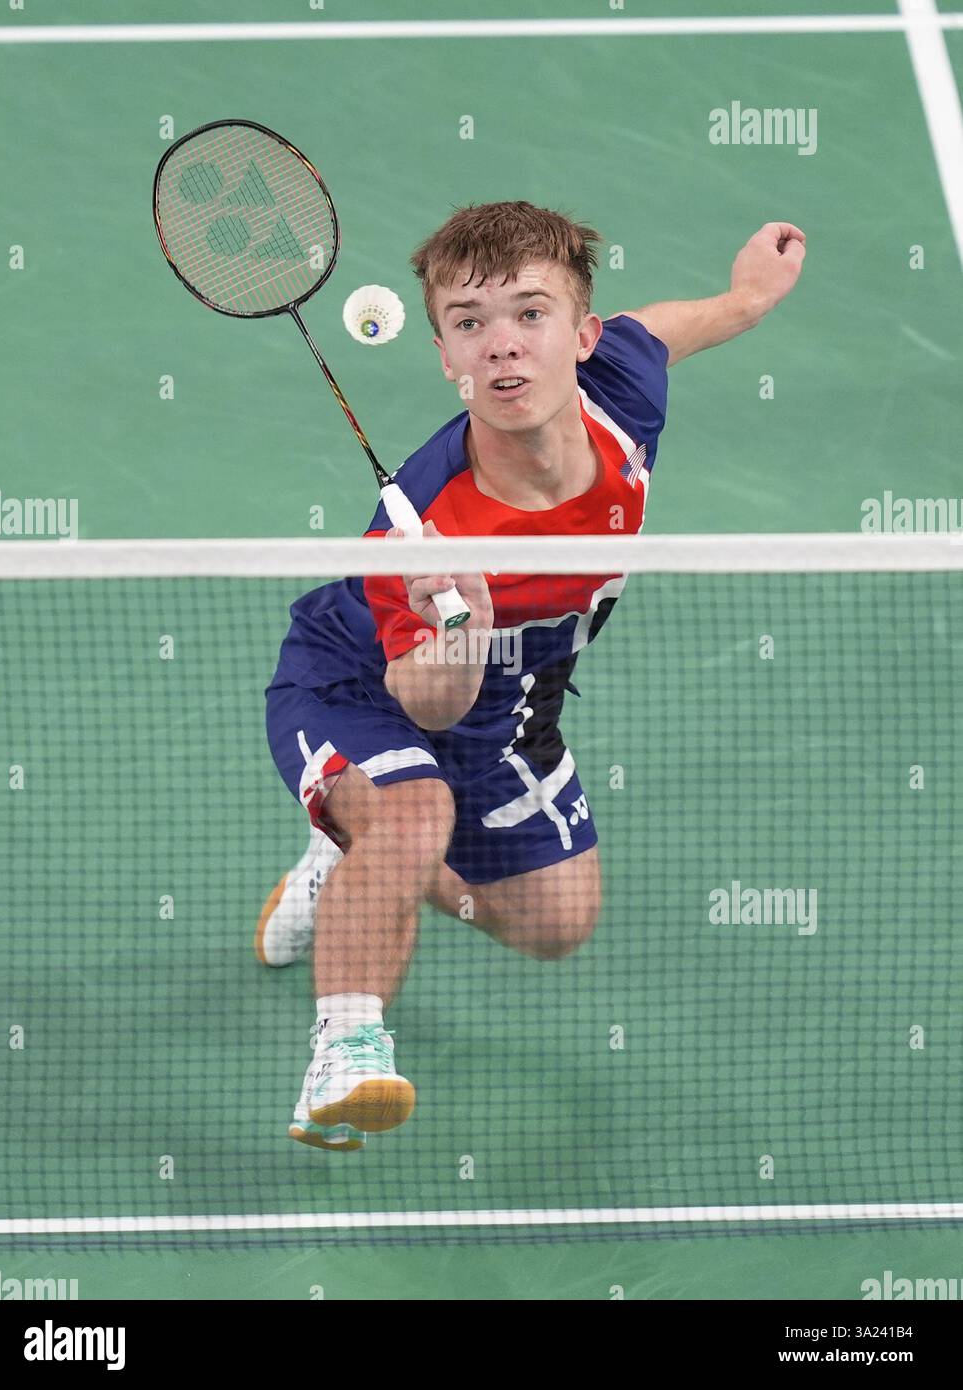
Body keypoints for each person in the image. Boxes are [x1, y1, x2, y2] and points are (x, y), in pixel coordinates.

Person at [260, 202, 806, 1151]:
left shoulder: (620, 393)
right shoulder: (421, 532)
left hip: (513, 712)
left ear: (582, 336)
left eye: (530, 314)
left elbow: (661, 332)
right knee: (411, 811)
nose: (502, 348)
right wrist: (462, 621)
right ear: (444, 356)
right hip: (362, 679)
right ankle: (345, 1051)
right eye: (469, 323)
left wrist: (746, 300)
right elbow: (420, 698)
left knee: (555, 926)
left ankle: (343, 854)